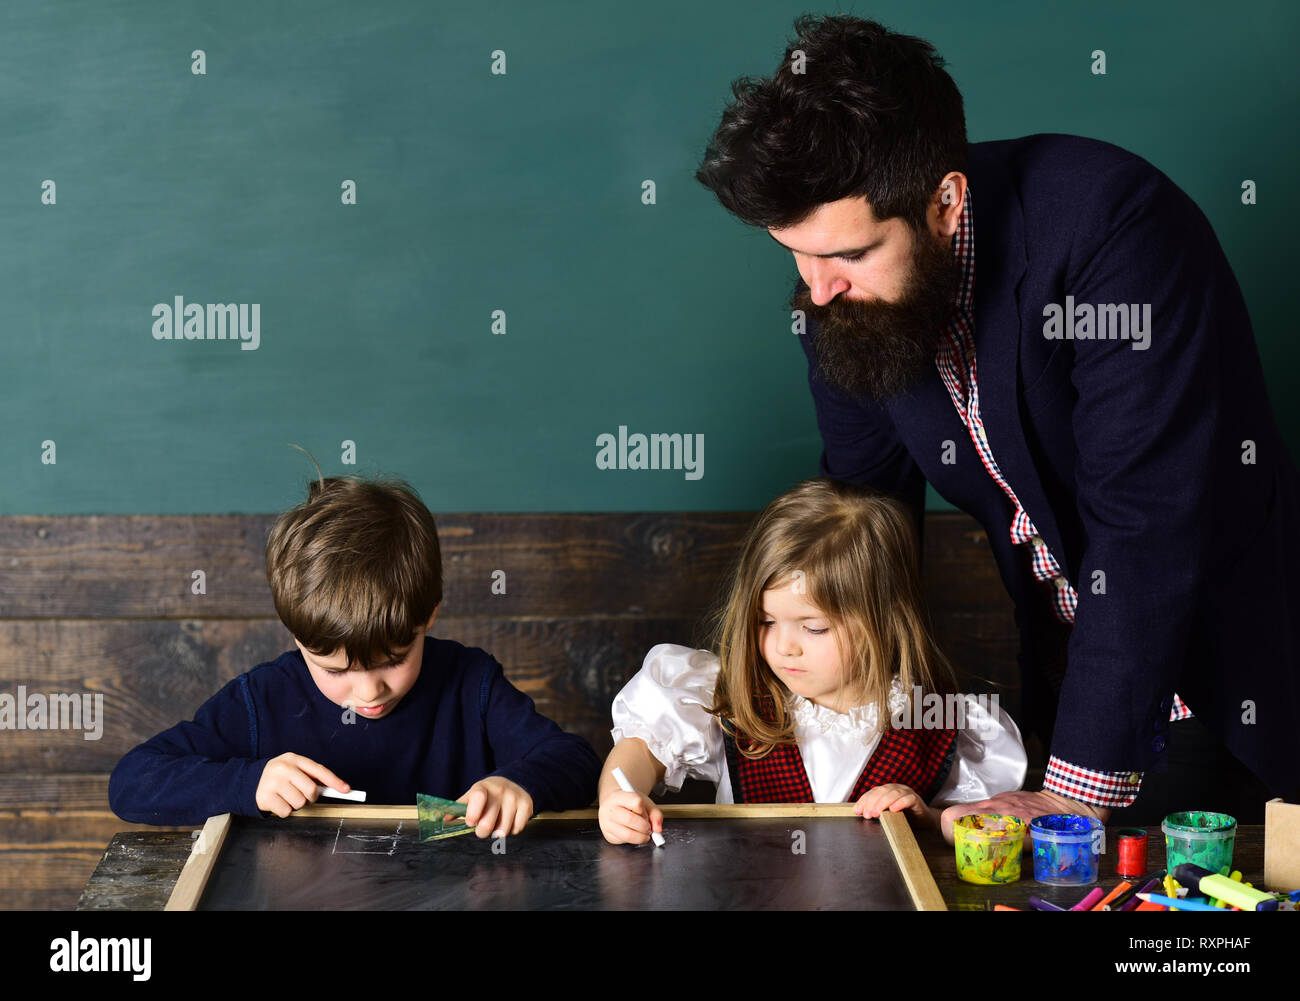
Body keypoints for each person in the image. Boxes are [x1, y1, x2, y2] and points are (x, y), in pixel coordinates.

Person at [693, 15, 1299, 832]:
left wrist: (1072, 791)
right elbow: (860, 524)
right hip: (1066, 684)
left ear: (945, 202)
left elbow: (1144, 520)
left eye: (849, 254)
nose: (817, 290)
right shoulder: (838, 300)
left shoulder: (1115, 224)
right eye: (795, 253)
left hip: (1230, 674)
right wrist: (818, 717)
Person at [110, 473, 601, 834]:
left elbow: (574, 760)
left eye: (393, 659)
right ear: (296, 637)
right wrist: (249, 780)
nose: (368, 692)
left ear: (429, 615)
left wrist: (519, 784)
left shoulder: (470, 683)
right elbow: (132, 783)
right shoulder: (262, 701)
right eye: (334, 669)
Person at [598, 478, 1026, 845]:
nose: (784, 647)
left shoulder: (940, 721)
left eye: (814, 628)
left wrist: (925, 820)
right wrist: (618, 798)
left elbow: (980, 831)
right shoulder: (731, 699)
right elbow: (640, 748)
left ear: (885, 620)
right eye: (765, 621)